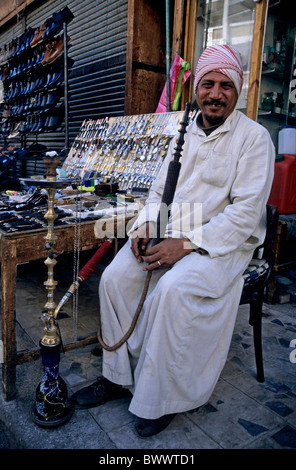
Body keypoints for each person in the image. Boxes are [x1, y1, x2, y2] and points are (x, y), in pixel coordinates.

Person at [70, 44, 275, 437]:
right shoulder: (184, 131)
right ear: (197, 88)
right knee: (115, 278)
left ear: (238, 90)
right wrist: (149, 227)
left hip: (222, 243)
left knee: (174, 290)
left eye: (225, 86)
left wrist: (187, 244)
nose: (216, 93)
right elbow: (157, 194)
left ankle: (159, 397)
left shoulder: (254, 139)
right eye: (209, 84)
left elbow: (245, 213)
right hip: (172, 230)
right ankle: (117, 378)